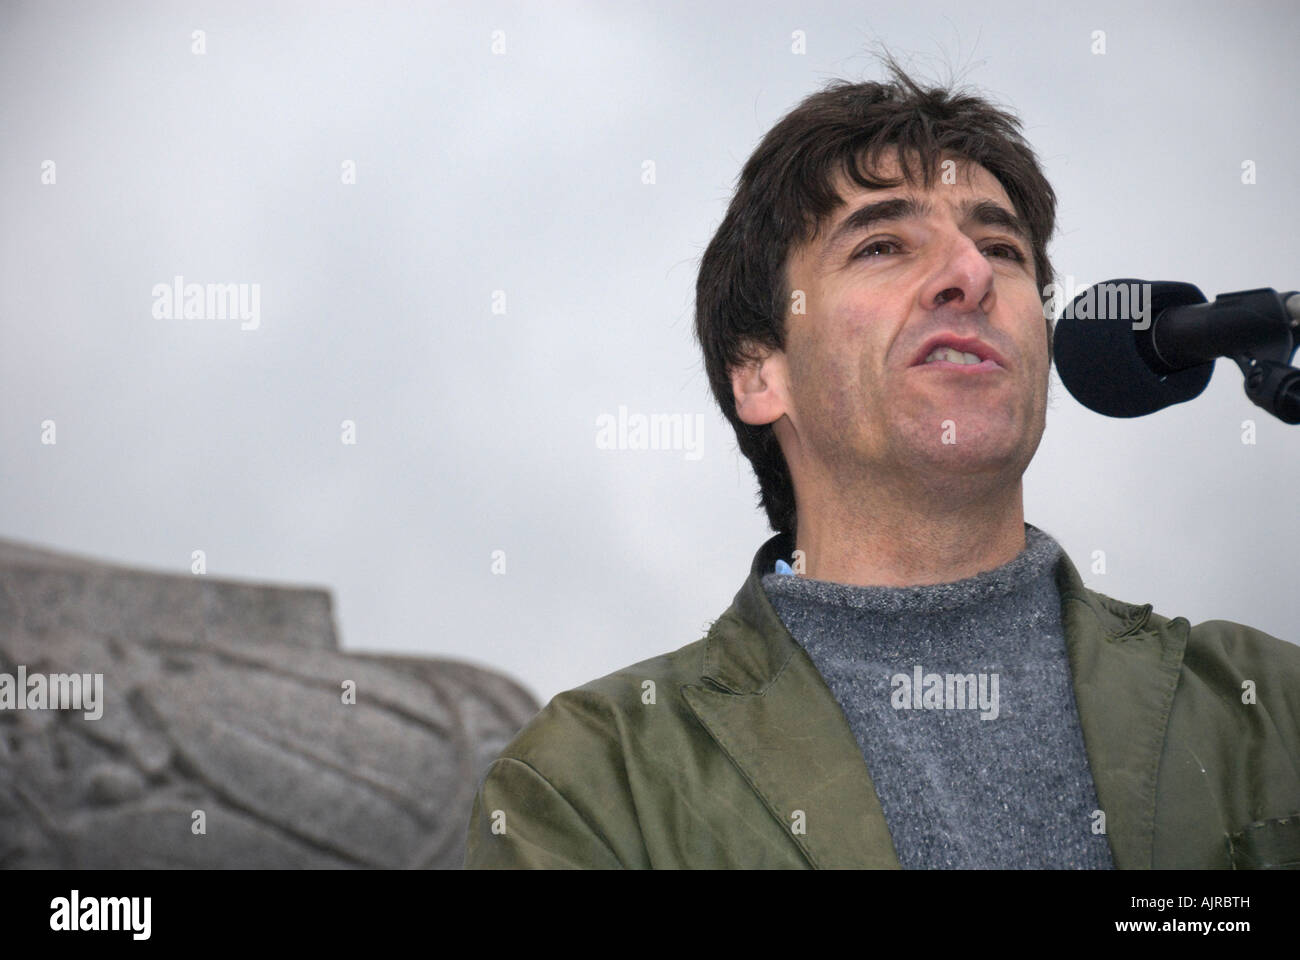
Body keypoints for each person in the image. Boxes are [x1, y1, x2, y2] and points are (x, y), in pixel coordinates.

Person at [463, 57, 1300, 869]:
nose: (970, 275)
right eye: (883, 246)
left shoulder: (1270, 704)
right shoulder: (593, 780)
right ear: (760, 373)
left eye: (1003, 250)